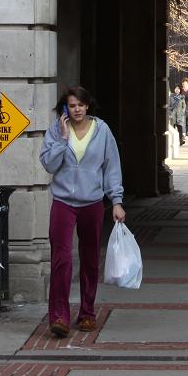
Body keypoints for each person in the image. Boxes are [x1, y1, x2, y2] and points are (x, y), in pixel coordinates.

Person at [39, 86, 125, 338]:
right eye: (72, 105)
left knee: (89, 259)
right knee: (61, 259)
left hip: (92, 202)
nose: (76, 109)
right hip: (63, 202)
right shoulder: (56, 130)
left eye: (80, 105)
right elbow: (48, 164)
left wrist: (116, 200)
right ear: (65, 108)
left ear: (88, 106)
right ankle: (59, 317)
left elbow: (111, 167)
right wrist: (63, 139)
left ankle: (87, 312)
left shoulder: (102, 130)